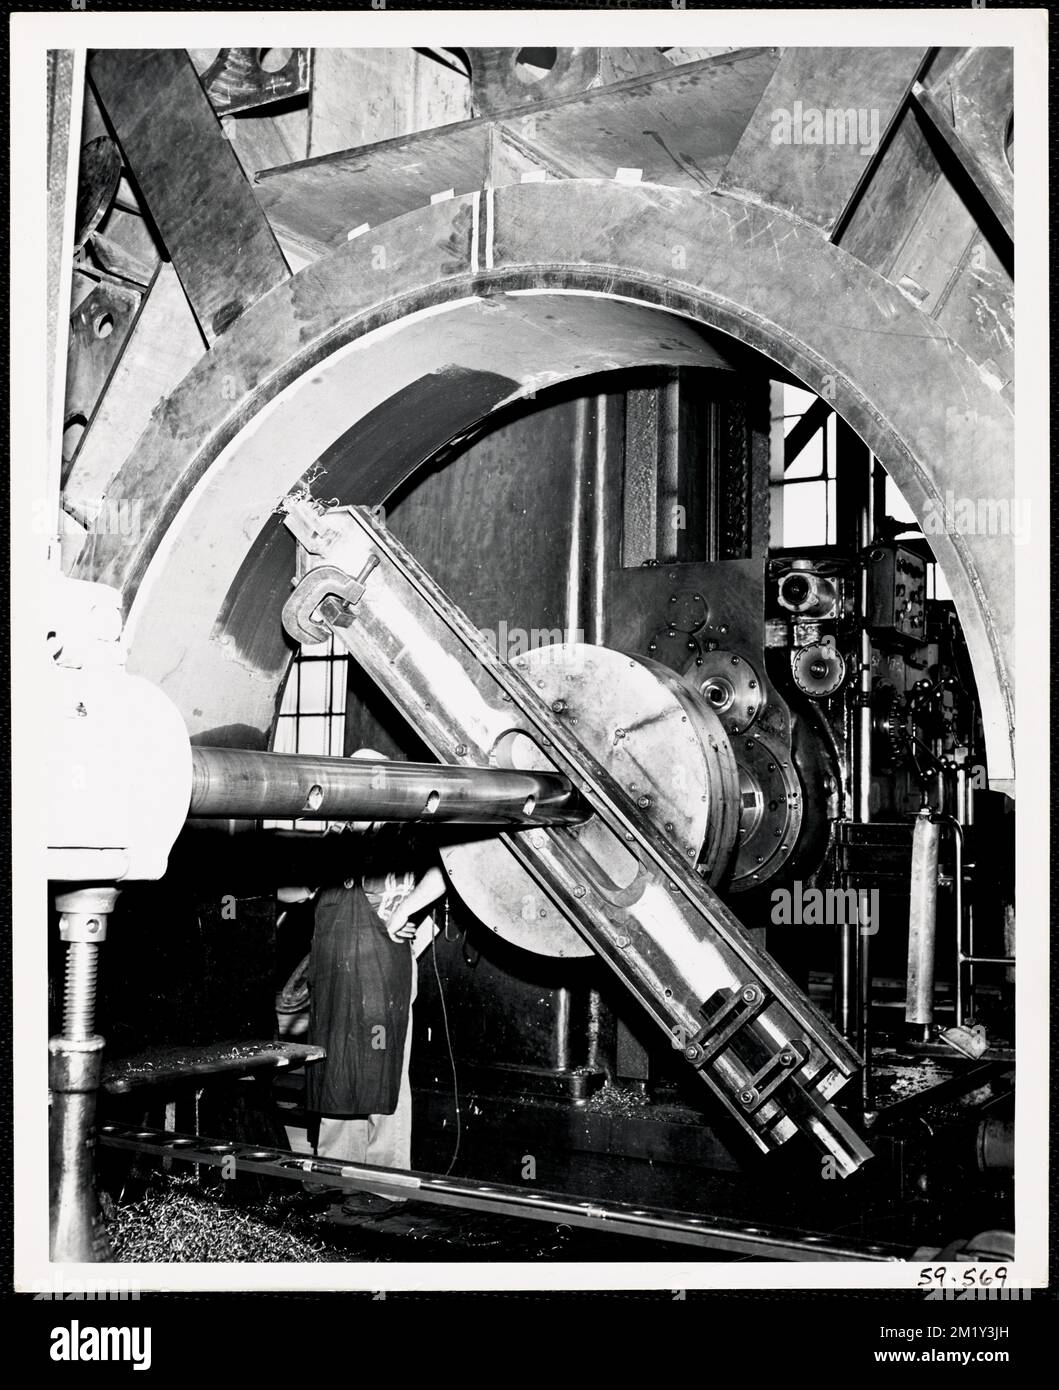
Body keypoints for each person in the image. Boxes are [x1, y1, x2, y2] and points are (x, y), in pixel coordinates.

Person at [278, 750, 445, 1217]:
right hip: (333, 967)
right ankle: (335, 1173)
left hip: (381, 967)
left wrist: (407, 910)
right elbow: (302, 891)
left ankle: (386, 1182)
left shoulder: (407, 826)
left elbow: (447, 874)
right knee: (332, 1065)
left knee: (382, 1070)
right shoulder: (337, 832)